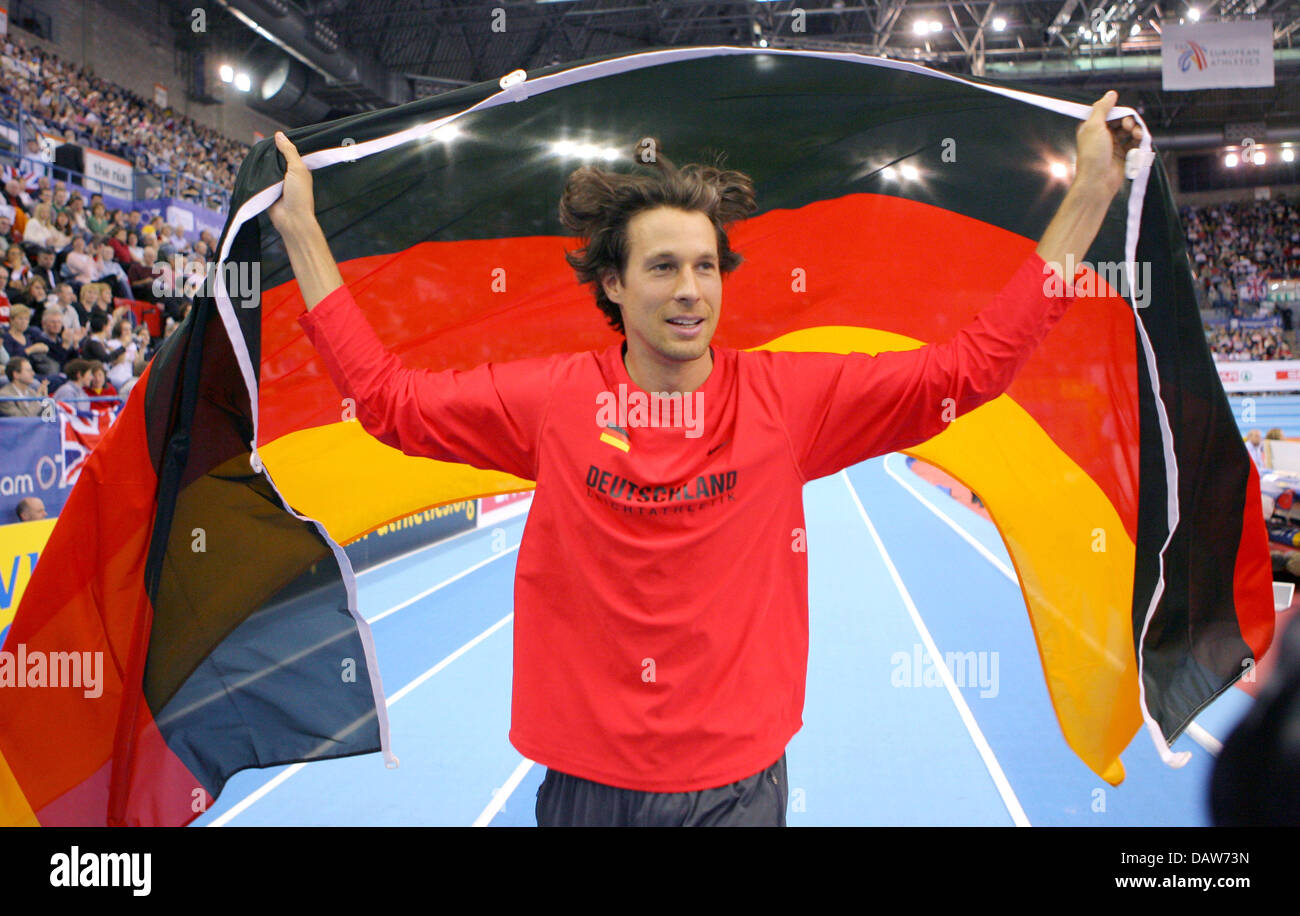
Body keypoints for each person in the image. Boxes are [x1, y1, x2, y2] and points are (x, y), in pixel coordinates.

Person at [271, 91, 1144, 827]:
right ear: (612, 285)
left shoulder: (788, 402)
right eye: (661, 268)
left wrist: (1091, 198)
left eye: (704, 267)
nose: (689, 290)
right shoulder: (551, 402)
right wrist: (304, 234)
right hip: (589, 789)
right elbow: (386, 402)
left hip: (737, 791)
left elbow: (971, 369)